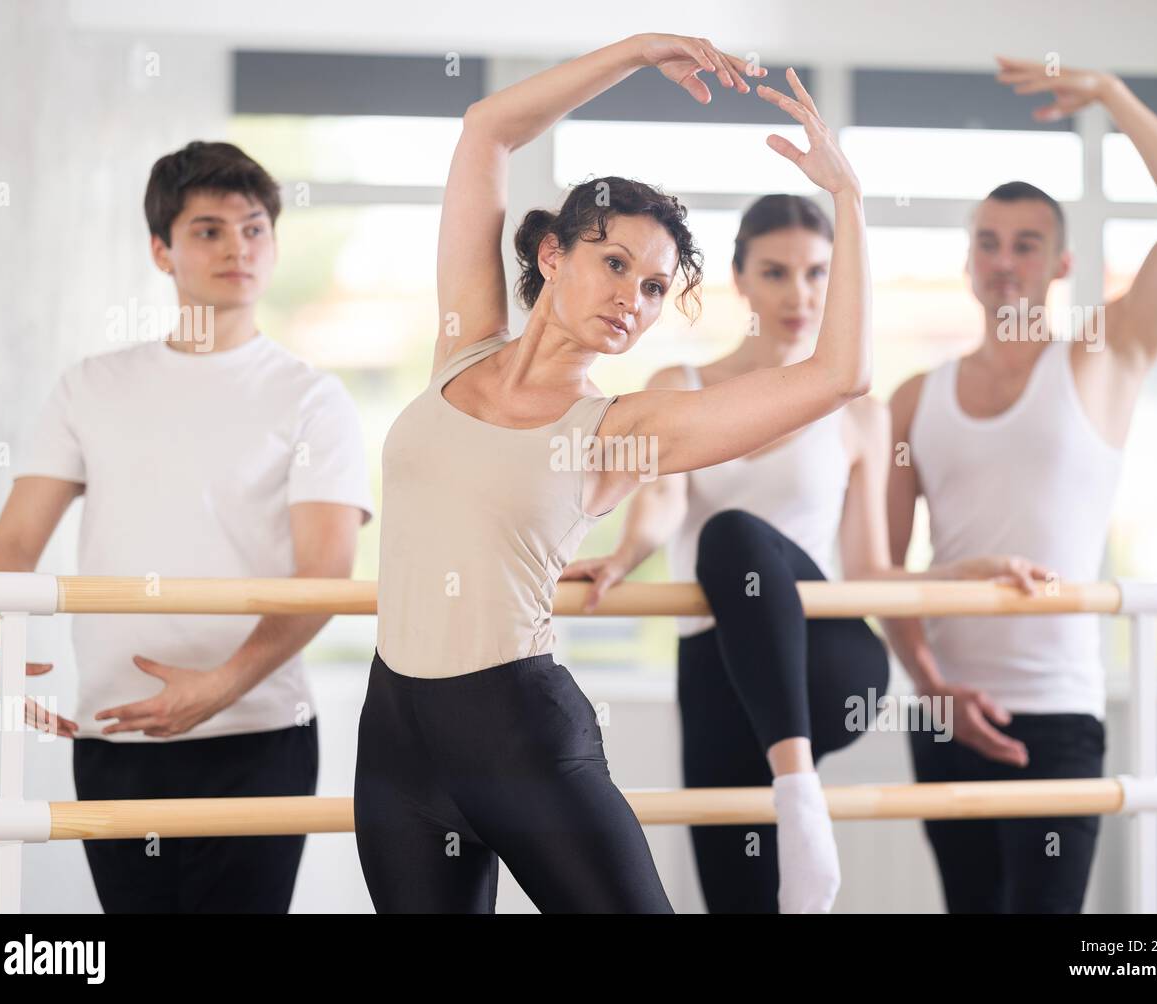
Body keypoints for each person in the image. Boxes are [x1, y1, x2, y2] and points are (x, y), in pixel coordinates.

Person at [354, 32, 872, 913]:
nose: (631, 299)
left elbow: (837, 376)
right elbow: (486, 131)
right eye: (615, 264)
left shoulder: (620, 429)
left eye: (655, 288)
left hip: (519, 737)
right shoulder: (461, 343)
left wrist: (847, 195)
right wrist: (635, 53)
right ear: (553, 256)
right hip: (393, 741)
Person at [562, 193, 1049, 913]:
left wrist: (966, 572)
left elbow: (870, 569)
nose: (801, 294)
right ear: (739, 278)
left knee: (734, 533)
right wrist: (622, 556)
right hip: (719, 674)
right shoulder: (682, 389)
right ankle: (799, 802)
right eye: (777, 272)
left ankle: (797, 789)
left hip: (827, 663)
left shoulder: (860, 412)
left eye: (818, 273)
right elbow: (659, 500)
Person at [0, 141, 375, 913]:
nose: (237, 248)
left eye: (254, 229)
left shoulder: (313, 399)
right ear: (162, 250)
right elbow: (16, 542)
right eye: (209, 230)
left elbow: (326, 574)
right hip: (116, 738)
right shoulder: (92, 385)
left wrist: (218, 687)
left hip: (259, 735)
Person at [885, 57, 1157, 913]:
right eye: (988, 243)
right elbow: (883, 576)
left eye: (1026, 243)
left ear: (1061, 262)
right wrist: (931, 688)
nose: (1005, 262)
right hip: (943, 711)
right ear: (968, 261)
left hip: (1058, 712)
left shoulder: (1104, 356)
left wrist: (1112, 96)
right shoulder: (913, 398)